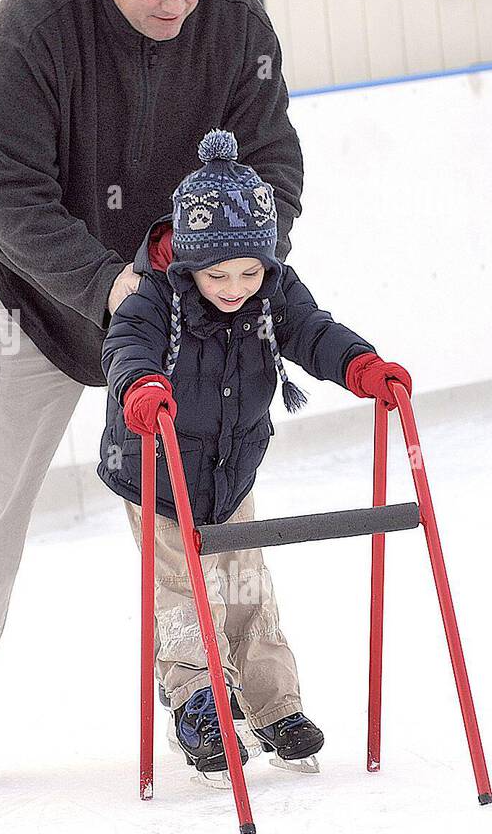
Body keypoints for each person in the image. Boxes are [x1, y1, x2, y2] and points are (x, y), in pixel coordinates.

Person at [0, 0, 306, 773]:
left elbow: (276, 165)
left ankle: (223, 689)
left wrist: (239, 265)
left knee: (201, 484)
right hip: (15, 281)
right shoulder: (35, 20)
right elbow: (11, 196)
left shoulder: (233, 23)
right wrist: (110, 285)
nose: (176, 6)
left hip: (170, 291)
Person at [100, 129, 411, 775]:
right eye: (219, 274)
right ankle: (197, 704)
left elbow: (313, 331)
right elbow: (125, 347)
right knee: (182, 593)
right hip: (156, 473)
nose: (237, 286)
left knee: (245, 587)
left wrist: (362, 366)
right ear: (187, 264)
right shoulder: (152, 299)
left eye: (251, 271)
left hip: (230, 471)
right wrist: (142, 385)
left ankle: (274, 707)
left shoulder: (273, 291)